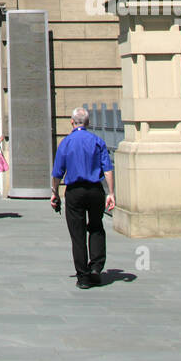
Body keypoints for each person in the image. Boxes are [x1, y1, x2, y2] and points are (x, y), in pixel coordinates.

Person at [50, 106, 116, 288]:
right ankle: (96, 267)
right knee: (96, 227)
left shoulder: (66, 142)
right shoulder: (97, 141)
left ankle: (83, 276)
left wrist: (54, 192)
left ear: (72, 122)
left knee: (77, 234)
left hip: (74, 191)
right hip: (95, 190)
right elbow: (107, 169)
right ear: (88, 123)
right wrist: (111, 193)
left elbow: (57, 172)